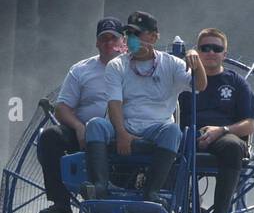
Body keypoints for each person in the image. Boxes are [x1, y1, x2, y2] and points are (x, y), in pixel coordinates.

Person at [84, 10, 206, 203]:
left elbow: (199, 85)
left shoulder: (172, 64)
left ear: (154, 37)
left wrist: (196, 60)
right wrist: (122, 133)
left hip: (156, 130)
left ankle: (152, 192)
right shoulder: (117, 65)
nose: (132, 39)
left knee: (173, 131)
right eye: (129, 34)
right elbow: (114, 103)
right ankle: (100, 186)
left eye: (137, 34)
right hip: (124, 127)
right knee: (95, 125)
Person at [37, 17, 126, 213]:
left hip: (122, 134)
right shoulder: (81, 70)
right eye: (104, 39)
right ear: (97, 42)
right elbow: (62, 108)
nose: (109, 43)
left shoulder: (135, 68)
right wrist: (78, 127)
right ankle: (60, 204)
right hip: (85, 136)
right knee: (50, 136)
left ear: (123, 42)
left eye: (113, 38)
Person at [178, 27, 254, 213]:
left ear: (225, 53)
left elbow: (249, 124)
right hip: (185, 136)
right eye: (205, 48)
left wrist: (221, 130)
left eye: (216, 48)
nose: (211, 52)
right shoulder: (181, 77)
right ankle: (171, 209)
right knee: (166, 142)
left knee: (233, 146)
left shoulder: (236, 82)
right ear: (197, 51)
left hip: (221, 137)